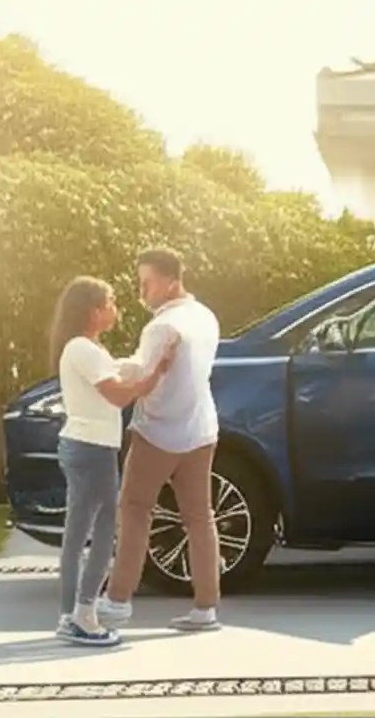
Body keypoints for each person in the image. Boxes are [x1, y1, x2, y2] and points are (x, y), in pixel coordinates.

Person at [98, 247, 224, 632]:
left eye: (146, 283)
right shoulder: (205, 317)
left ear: (170, 281)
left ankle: (117, 601)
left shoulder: (161, 328)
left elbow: (144, 377)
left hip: (158, 431)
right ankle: (206, 607)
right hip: (201, 430)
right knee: (200, 517)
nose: (141, 293)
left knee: (134, 510)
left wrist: (104, 366)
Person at [48, 276, 175, 646]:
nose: (116, 309)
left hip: (82, 446)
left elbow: (120, 371)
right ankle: (86, 615)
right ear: (94, 311)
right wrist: (156, 374)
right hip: (93, 451)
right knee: (104, 533)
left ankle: (69, 614)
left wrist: (146, 366)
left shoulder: (83, 349)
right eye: (111, 302)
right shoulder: (83, 350)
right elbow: (119, 395)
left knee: (76, 535)